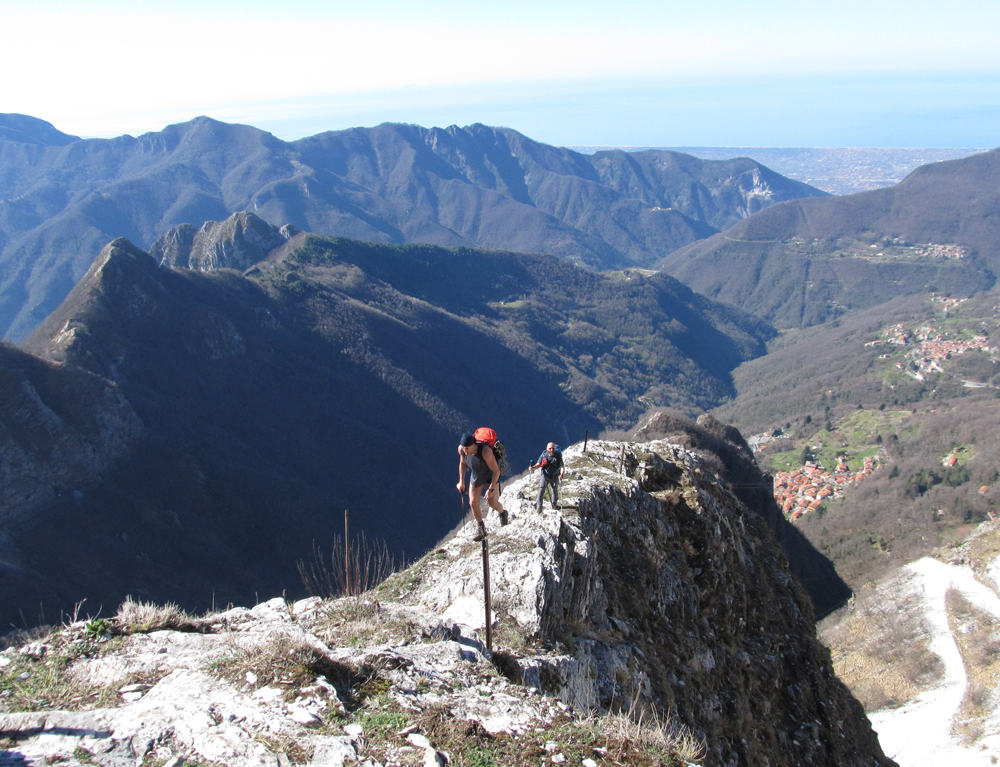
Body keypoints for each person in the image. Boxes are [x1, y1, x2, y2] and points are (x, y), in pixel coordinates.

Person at [457, 432, 509, 541]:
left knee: (492, 503)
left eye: (467, 448)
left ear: (473, 444)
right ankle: (481, 529)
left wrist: (491, 489)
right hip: (477, 474)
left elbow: (496, 471)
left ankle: (503, 513)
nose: (465, 451)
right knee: (473, 502)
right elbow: (462, 463)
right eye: (463, 448)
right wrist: (461, 481)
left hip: (491, 476)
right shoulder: (461, 450)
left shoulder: (485, 451)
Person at [529, 442, 564, 512]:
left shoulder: (558, 456)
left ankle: (554, 505)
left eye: (553, 448)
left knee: (554, 491)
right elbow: (538, 464)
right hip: (545, 475)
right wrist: (533, 468)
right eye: (550, 448)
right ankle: (539, 508)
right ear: (546, 449)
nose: (551, 450)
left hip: (554, 476)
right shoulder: (543, 455)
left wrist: (561, 475)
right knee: (541, 491)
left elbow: (562, 467)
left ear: (555, 448)